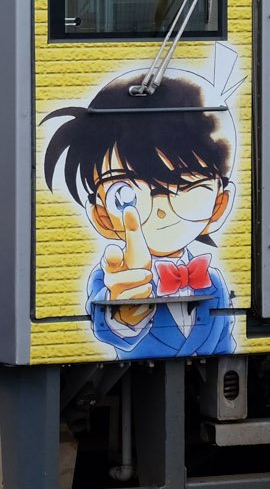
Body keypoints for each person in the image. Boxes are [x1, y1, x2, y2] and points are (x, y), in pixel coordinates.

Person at [40, 73, 238, 358]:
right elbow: (107, 328)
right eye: (126, 192)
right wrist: (123, 314)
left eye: (185, 183)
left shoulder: (215, 282)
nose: (160, 205)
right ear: (101, 216)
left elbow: (226, 342)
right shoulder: (113, 275)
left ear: (219, 205)